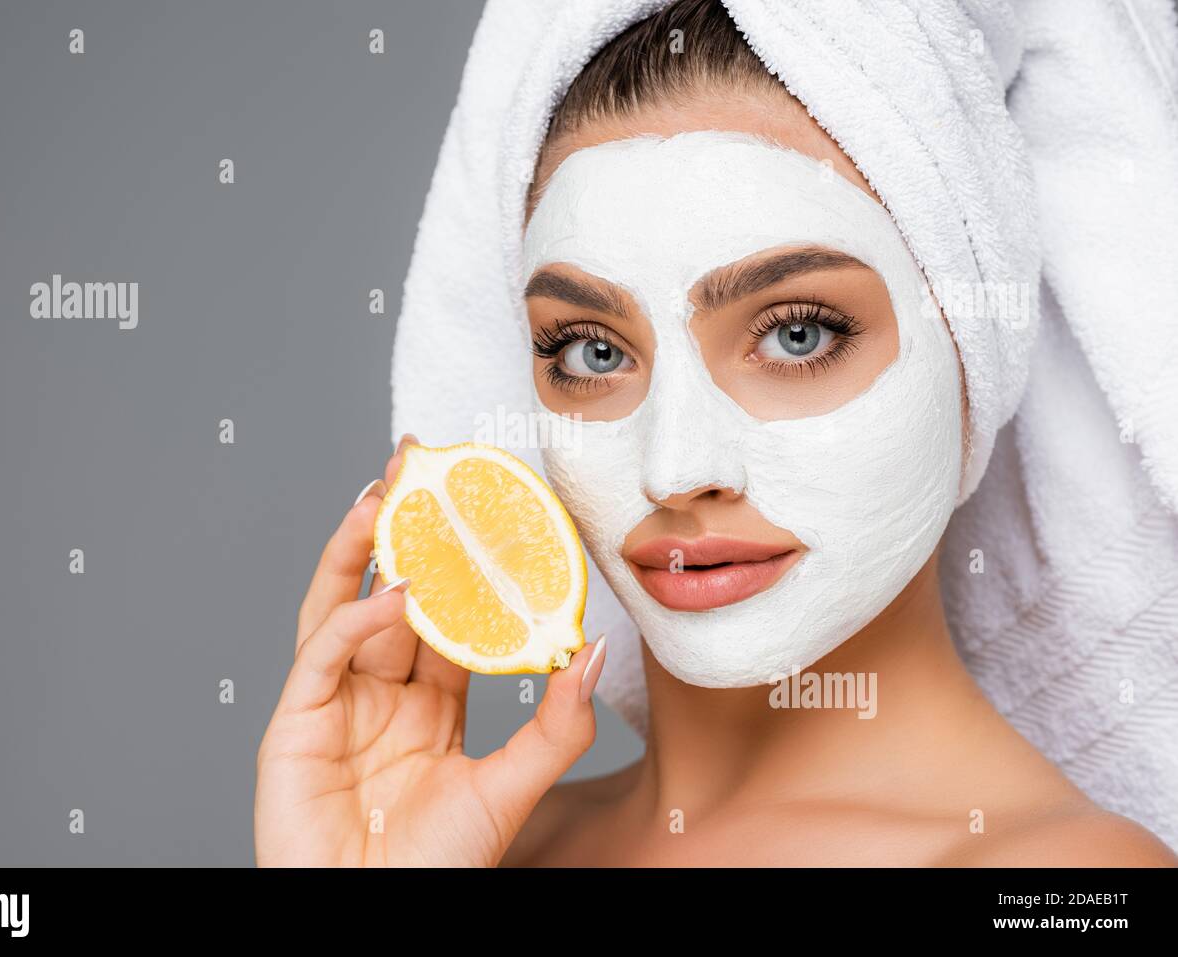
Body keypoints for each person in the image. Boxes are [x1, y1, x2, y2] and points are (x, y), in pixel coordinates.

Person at [254, 0, 1178, 866]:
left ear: (977, 348)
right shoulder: (473, 846)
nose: (676, 469)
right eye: (590, 352)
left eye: (797, 333)